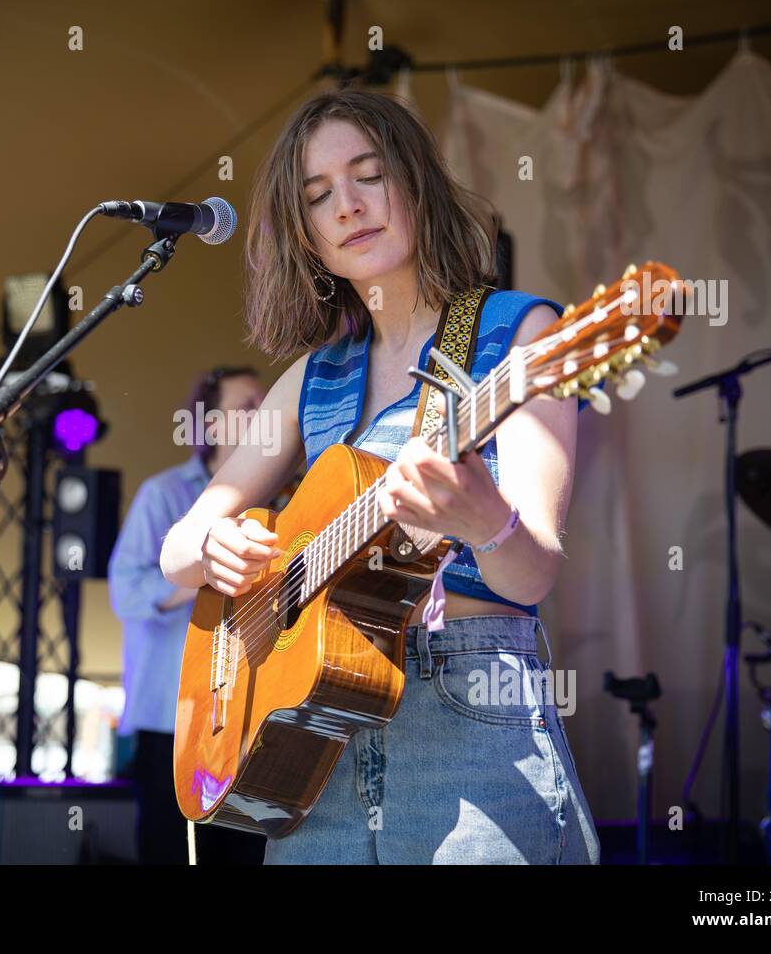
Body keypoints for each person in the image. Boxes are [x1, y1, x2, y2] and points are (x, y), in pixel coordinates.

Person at [158, 89, 600, 864]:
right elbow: (179, 546)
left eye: (368, 175)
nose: (347, 207)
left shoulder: (521, 336)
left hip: (470, 723)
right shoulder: (310, 379)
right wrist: (209, 550)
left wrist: (481, 520)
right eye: (318, 195)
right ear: (306, 235)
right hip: (313, 749)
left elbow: (531, 575)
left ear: (416, 185)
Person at [108, 366, 269, 865]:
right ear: (212, 426)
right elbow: (127, 592)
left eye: (265, 407)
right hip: (170, 719)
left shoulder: (283, 500)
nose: (263, 418)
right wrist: (200, 569)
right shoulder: (165, 494)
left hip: (251, 719)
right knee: (170, 851)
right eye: (247, 409)